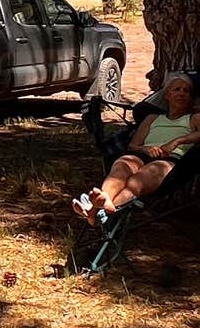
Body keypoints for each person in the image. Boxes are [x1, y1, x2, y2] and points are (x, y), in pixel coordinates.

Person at [73, 73, 200, 223]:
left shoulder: (194, 118)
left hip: (170, 162)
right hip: (142, 155)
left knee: (137, 180)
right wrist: (146, 149)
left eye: (186, 91)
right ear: (167, 95)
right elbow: (134, 145)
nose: (182, 93)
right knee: (121, 166)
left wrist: (177, 141)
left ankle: (95, 211)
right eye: (177, 89)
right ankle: (103, 204)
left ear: (191, 98)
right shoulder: (152, 118)